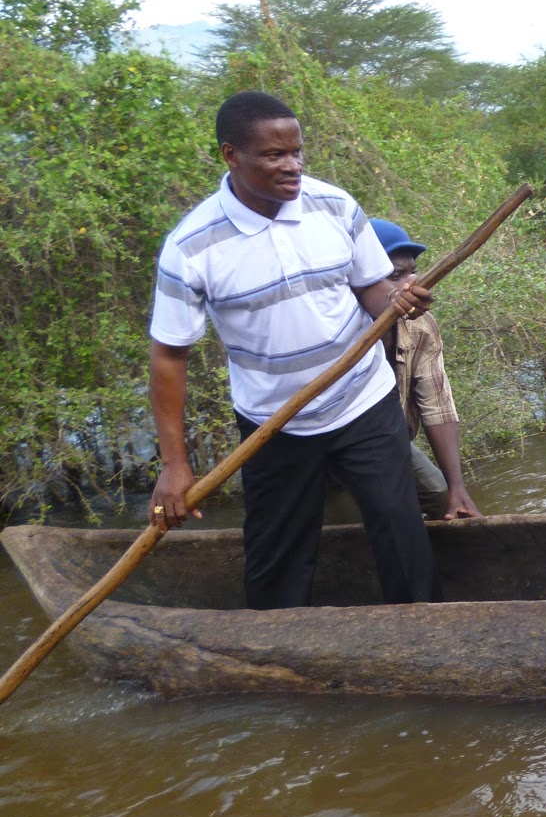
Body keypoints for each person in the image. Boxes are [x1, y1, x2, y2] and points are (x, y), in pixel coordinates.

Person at [147, 91, 438, 609]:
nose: (292, 167)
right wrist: (174, 464)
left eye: (297, 152)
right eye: (274, 156)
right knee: (278, 555)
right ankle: (276, 658)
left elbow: (372, 288)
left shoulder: (334, 205)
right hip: (272, 421)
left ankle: (424, 628)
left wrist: (398, 301)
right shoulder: (192, 246)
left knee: (400, 528)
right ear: (230, 155)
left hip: (361, 399)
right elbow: (169, 357)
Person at [365, 219, 482, 520]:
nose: (412, 283)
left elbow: (438, 406)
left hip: (389, 441)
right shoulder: (339, 326)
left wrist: (457, 486)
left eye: (413, 271)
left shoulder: (420, 325)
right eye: (395, 275)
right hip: (329, 444)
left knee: (442, 496)